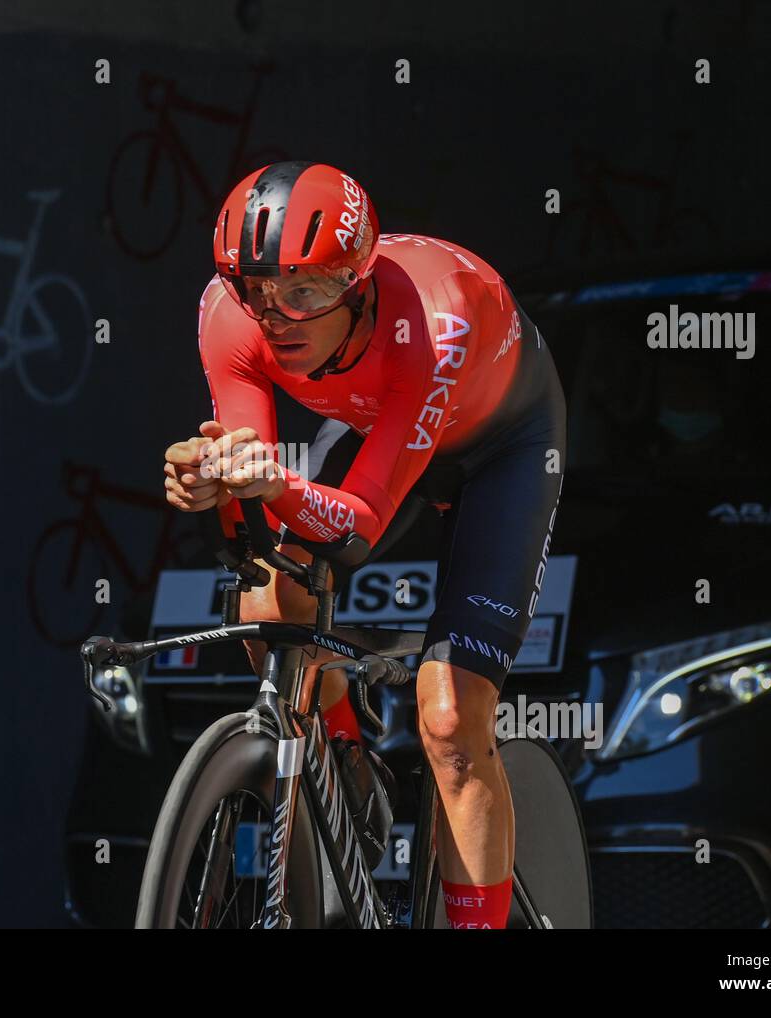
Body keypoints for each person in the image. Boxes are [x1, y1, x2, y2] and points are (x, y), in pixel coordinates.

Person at [163, 161, 566, 929]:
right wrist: (211, 482)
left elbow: (354, 528)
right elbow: (251, 511)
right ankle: (348, 758)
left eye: (304, 294)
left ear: (358, 286)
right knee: (269, 598)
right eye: (257, 291)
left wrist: (270, 485)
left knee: (450, 718)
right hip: (384, 426)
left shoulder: (434, 322)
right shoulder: (228, 314)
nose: (275, 318)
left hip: (500, 448)